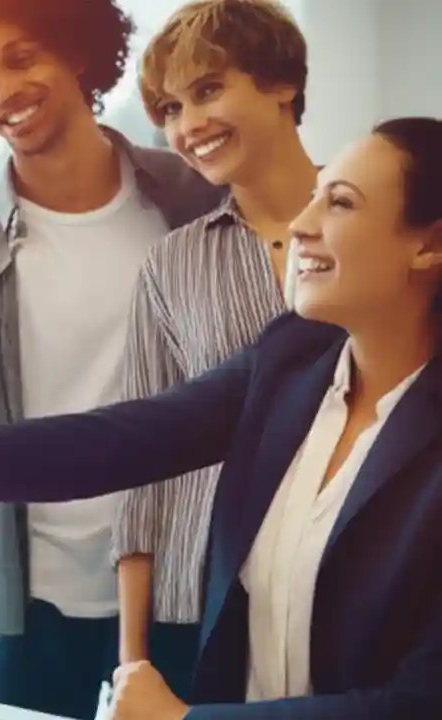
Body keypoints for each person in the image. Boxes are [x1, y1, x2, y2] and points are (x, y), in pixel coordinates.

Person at [0, 117, 442, 719]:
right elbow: (121, 441)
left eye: (340, 202)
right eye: (316, 196)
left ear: (429, 244)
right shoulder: (295, 357)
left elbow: (418, 705)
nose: (303, 224)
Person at [0, 0, 221, 714]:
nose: (2, 94)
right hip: (32, 613)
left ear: (78, 52)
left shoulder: (187, 199)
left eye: (21, 60)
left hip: (180, 590)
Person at [111, 0, 317, 698]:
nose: (186, 127)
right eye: (169, 109)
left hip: (348, 590)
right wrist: (133, 659)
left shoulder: (382, 232)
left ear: (282, 83)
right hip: (198, 609)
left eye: (206, 91)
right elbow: (141, 466)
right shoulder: (170, 267)